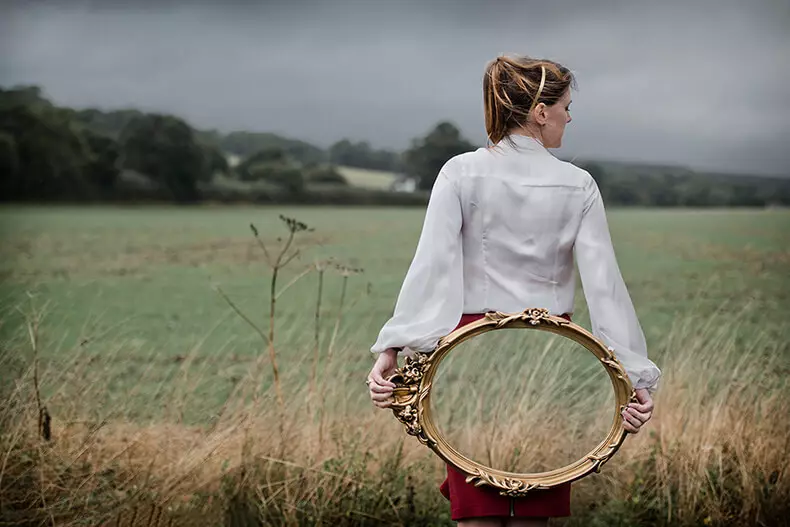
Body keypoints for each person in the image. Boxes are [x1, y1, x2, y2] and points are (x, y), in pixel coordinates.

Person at [366, 55, 661, 527]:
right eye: (565, 106)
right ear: (541, 112)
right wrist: (634, 373)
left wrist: (393, 346)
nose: (569, 117)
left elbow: (431, 267)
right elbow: (604, 286)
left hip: (468, 351)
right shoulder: (578, 184)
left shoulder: (459, 172)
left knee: (476, 512)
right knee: (533, 508)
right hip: (552, 354)